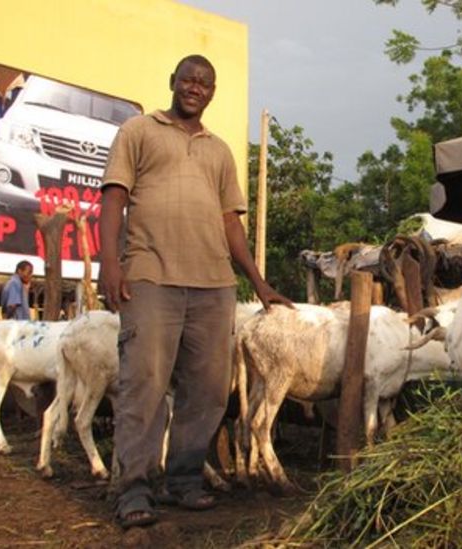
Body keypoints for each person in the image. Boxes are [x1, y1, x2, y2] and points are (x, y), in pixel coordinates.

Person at [98, 54, 292, 529]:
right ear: (173, 82)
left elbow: (230, 222)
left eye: (205, 83)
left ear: (212, 92)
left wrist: (258, 282)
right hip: (149, 276)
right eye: (188, 79)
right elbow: (114, 197)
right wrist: (108, 262)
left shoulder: (219, 151)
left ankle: (184, 480)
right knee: (143, 385)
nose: (195, 87)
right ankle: (135, 488)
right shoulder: (138, 131)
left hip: (213, 285)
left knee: (206, 391)